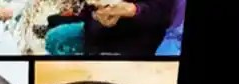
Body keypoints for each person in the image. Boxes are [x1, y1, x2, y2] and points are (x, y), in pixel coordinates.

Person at [45, 0, 175, 56]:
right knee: (54, 38)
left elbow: (162, 13)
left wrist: (133, 10)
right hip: (94, 31)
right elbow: (89, 8)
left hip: (131, 44)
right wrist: (91, 13)